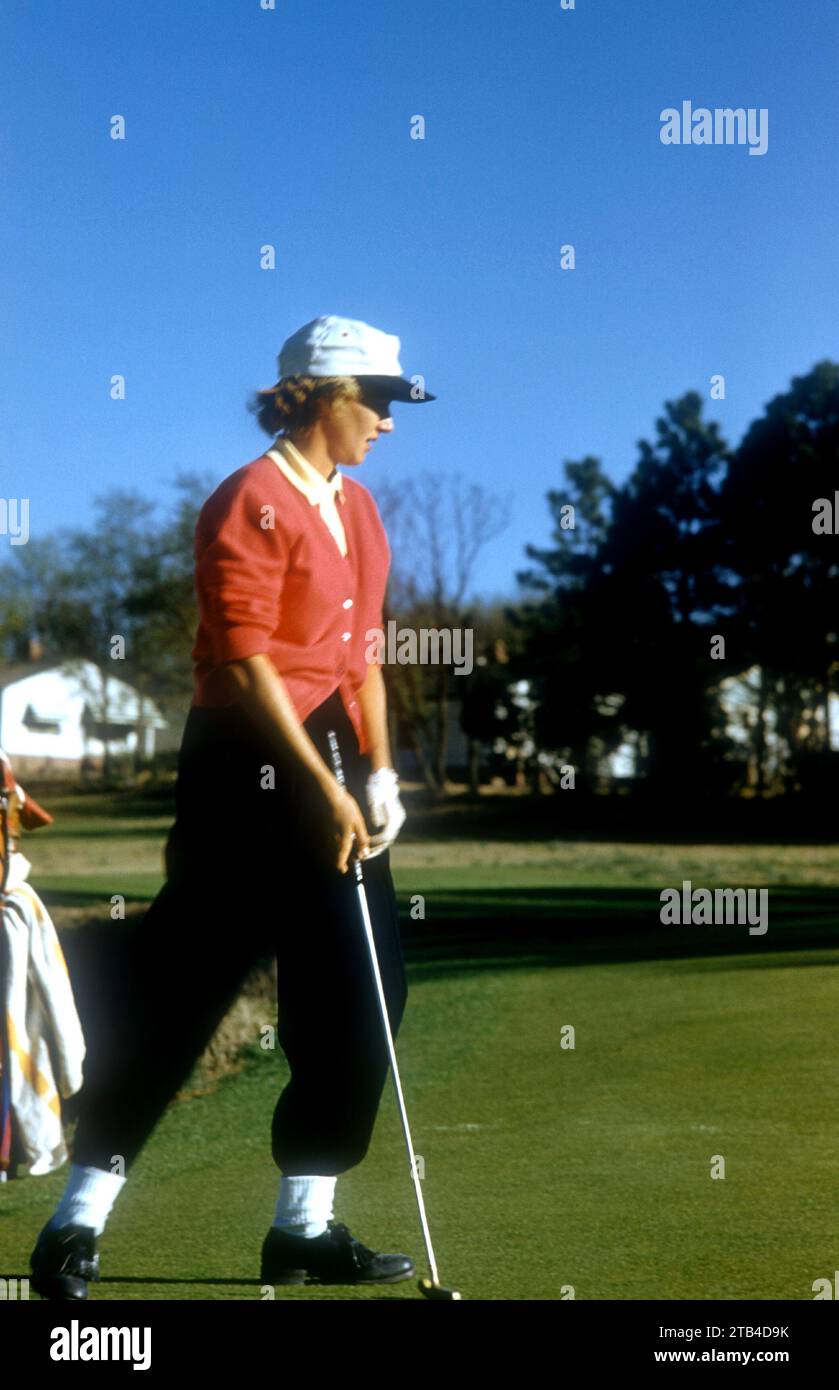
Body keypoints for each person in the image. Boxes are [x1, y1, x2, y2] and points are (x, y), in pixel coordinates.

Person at [29, 314, 436, 1299]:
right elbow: (249, 665)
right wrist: (322, 783)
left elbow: (366, 653)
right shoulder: (246, 500)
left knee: (362, 993)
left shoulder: (362, 509)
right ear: (317, 395)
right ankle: (74, 1223)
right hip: (244, 761)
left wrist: (376, 775)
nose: (386, 420)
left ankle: (303, 1226)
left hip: (334, 747)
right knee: (184, 991)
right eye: (375, 399)